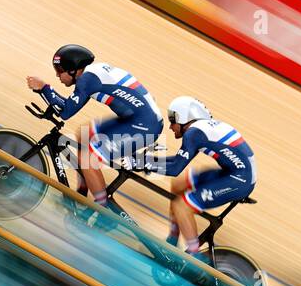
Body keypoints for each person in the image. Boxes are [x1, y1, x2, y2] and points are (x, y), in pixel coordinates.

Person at [26, 45, 163, 214]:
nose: (57, 75)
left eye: (59, 70)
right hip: (139, 119)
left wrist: (45, 88)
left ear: (73, 70)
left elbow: (66, 112)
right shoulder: (91, 73)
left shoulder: (87, 80)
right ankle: (84, 188)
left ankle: (102, 212)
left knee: (88, 158)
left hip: (144, 127)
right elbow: (68, 105)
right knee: (84, 133)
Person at [158, 96, 256, 255]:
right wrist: (146, 161)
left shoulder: (194, 134)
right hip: (235, 173)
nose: (170, 126)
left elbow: (174, 167)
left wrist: (140, 164)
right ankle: (172, 239)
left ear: (184, 118)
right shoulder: (199, 130)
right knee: (179, 183)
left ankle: (193, 259)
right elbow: (177, 162)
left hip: (239, 180)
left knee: (181, 206)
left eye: (172, 120)